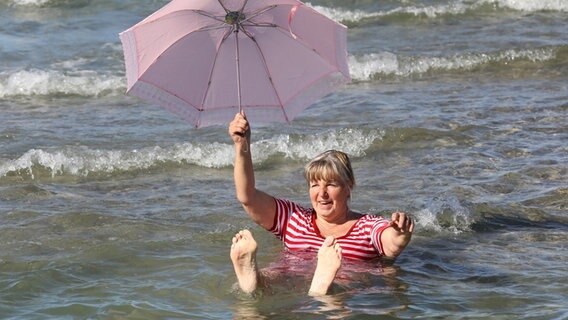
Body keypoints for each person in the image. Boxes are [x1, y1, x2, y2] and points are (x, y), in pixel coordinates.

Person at [228, 113, 414, 296]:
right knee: (277, 278)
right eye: (315, 185)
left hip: (332, 281)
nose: (322, 193)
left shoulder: (367, 227)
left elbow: (391, 244)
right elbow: (248, 196)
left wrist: (400, 233)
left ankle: (318, 285)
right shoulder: (294, 219)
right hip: (297, 281)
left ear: (349, 186)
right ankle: (255, 279)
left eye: (331, 184)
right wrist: (241, 145)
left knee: (343, 285)